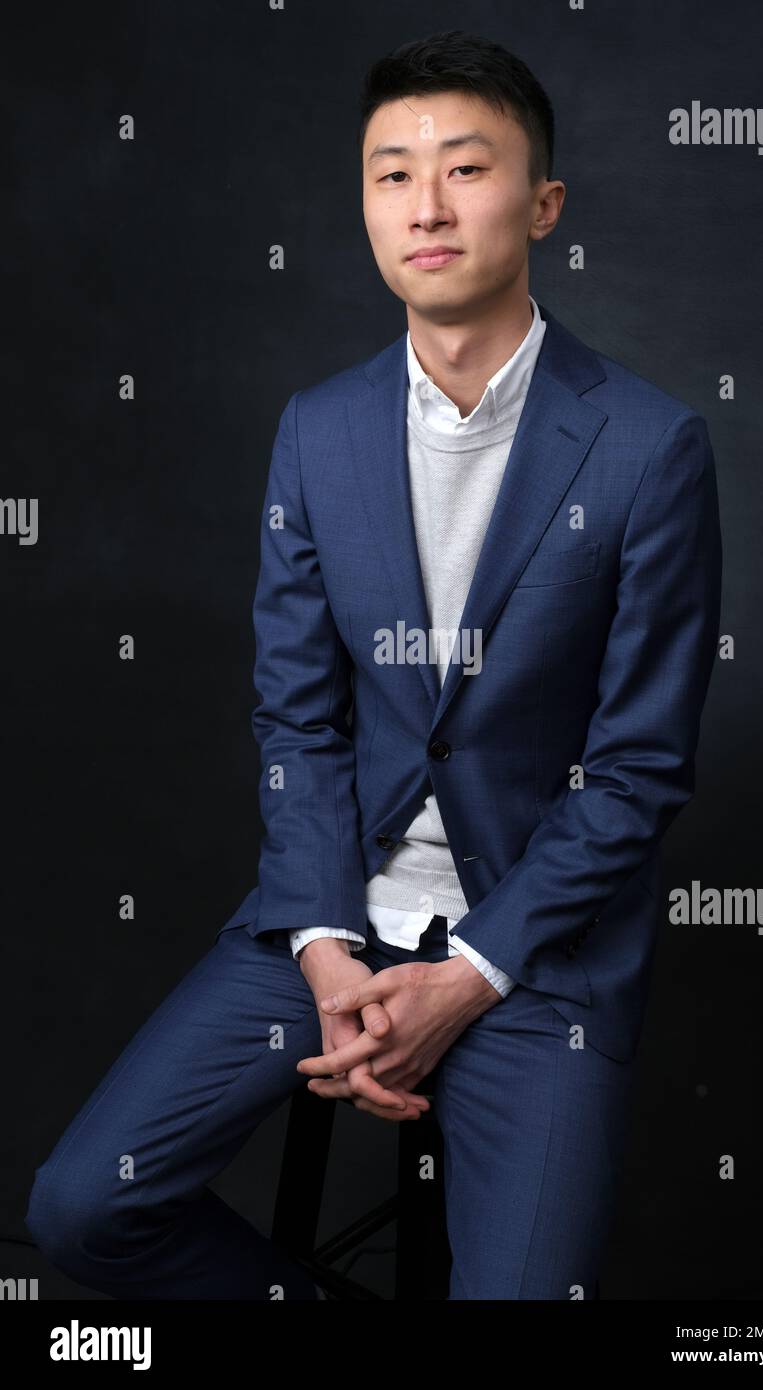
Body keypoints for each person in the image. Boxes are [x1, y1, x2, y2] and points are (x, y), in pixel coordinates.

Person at [25, 29, 722, 1300]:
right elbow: (295, 721)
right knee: (81, 1210)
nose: (427, 205)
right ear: (361, 206)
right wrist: (329, 946)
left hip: (536, 948)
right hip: (332, 920)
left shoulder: (647, 447)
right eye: (390, 174)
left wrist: (465, 977)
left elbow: (634, 773)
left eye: (465, 167)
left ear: (543, 204)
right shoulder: (319, 429)